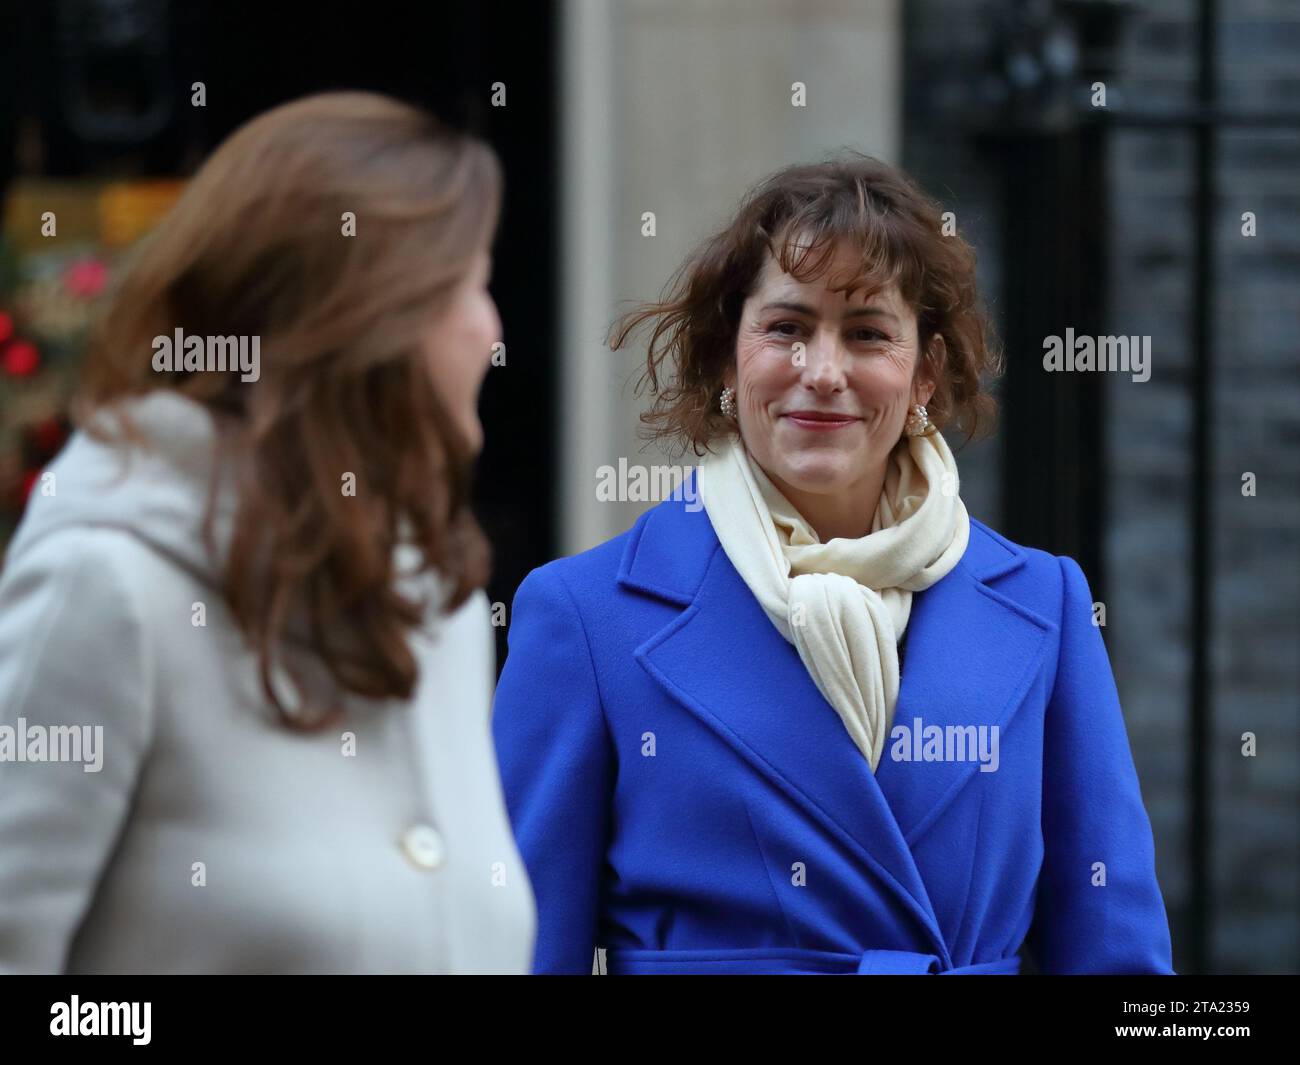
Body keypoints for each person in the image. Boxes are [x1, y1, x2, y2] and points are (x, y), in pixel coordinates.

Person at [492, 153, 1175, 975]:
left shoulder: (1045, 601)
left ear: (923, 371)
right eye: (785, 327)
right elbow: (515, 951)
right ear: (723, 360)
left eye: (867, 334)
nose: (822, 372)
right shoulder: (585, 614)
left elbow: (1118, 957)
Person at [0, 91, 535, 974]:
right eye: (473, 282)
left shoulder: (443, 613)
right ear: (371, 318)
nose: (494, 330)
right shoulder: (106, 586)